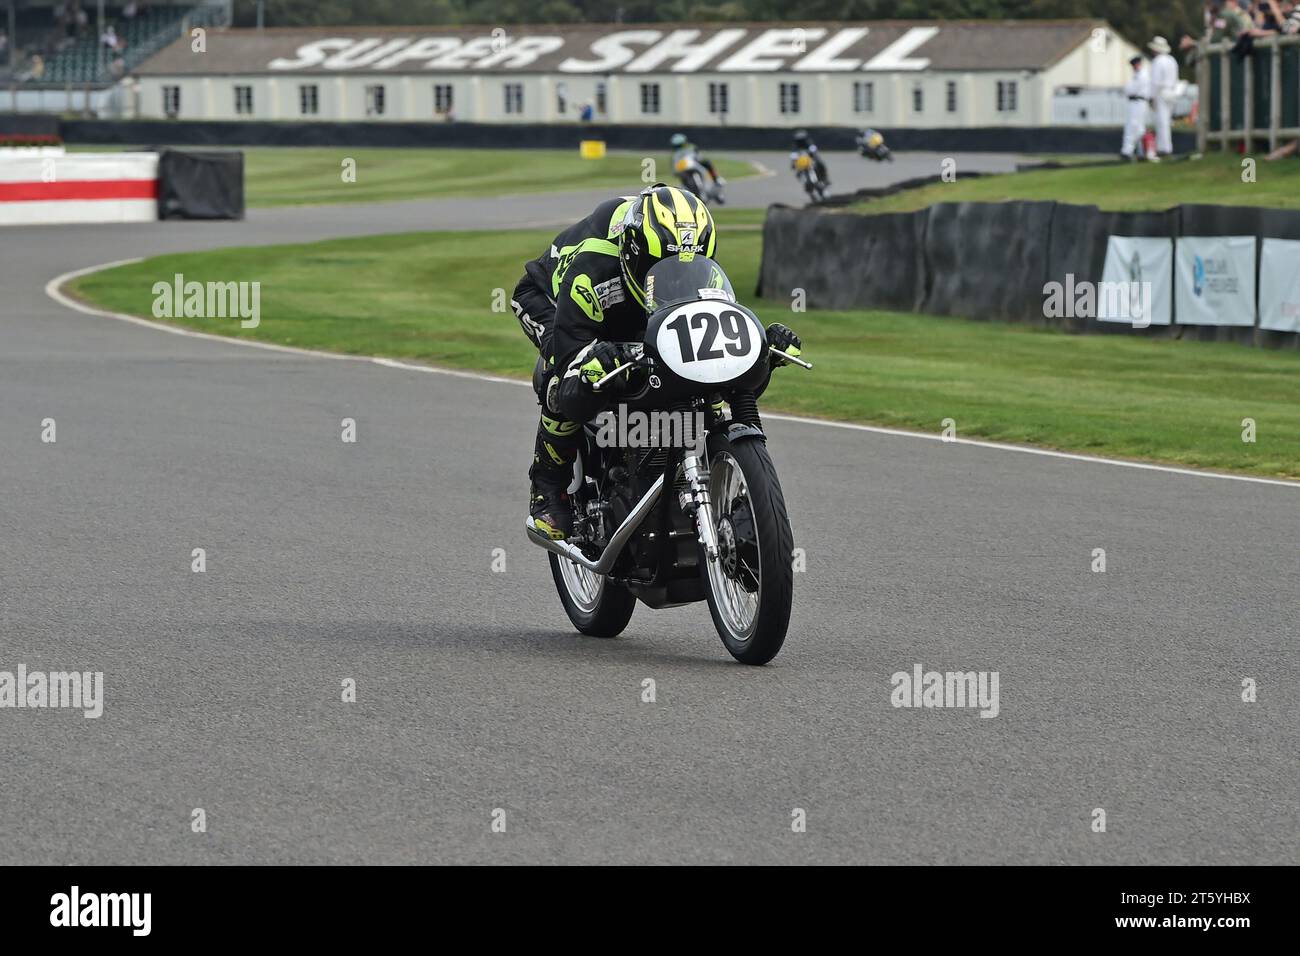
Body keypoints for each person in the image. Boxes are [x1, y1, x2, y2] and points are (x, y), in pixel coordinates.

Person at [511, 183, 801, 540]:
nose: (680, 277)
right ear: (633, 255)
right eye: (660, 267)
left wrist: (761, 350)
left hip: (637, 306)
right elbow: (575, 382)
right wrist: (592, 360)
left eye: (689, 267)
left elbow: (716, 342)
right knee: (566, 381)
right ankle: (547, 489)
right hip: (551, 301)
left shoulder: (697, 261)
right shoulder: (593, 269)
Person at [1148, 37, 1179, 156]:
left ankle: (1164, 148)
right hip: (1171, 92)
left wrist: (1152, 97)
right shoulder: (1172, 60)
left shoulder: (1157, 61)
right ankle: (1166, 147)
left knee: (1162, 122)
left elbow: (1155, 82)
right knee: (1166, 121)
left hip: (1161, 92)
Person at [1121, 55, 1152, 161]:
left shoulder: (1142, 75)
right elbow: (1127, 89)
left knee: (1133, 126)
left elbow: (1131, 89)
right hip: (1135, 102)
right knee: (1138, 128)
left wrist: (1128, 91)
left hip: (1139, 102)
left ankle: (1128, 151)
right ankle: (1141, 152)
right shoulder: (1137, 75)